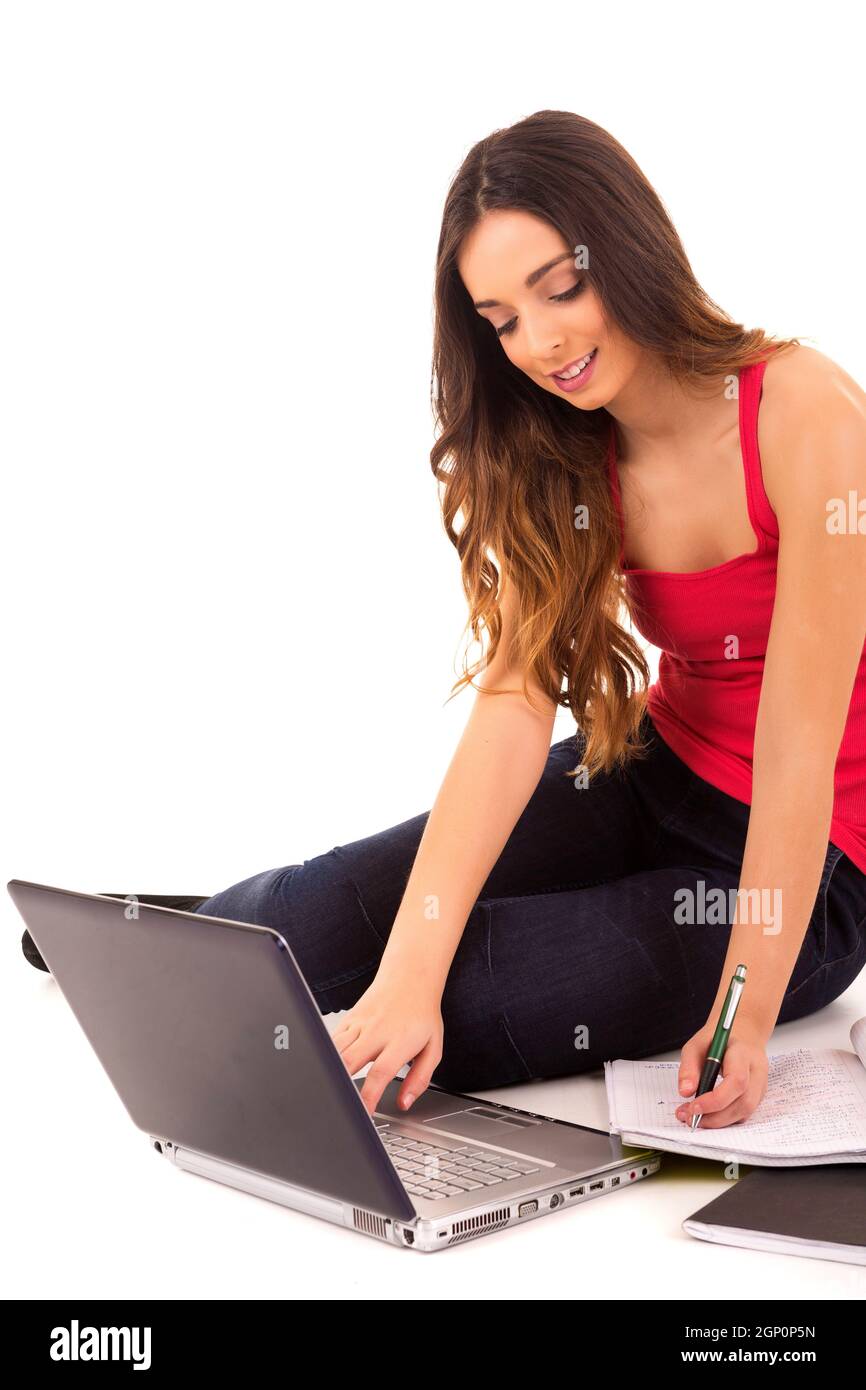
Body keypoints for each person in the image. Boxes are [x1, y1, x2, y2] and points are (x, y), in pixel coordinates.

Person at [24, 110, 866, 1135]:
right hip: (649, 772)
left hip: (812, 864)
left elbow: (796, 745)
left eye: (559, 287)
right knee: (310, 924)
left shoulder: (803, 409)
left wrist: (745, 1003)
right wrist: (404, 960)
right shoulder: (565, 444)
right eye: (501, 318)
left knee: (462, 1003)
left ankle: (262, 993)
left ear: (630, 249)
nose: (541, 341)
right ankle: (178, 934)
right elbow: (513, 707)